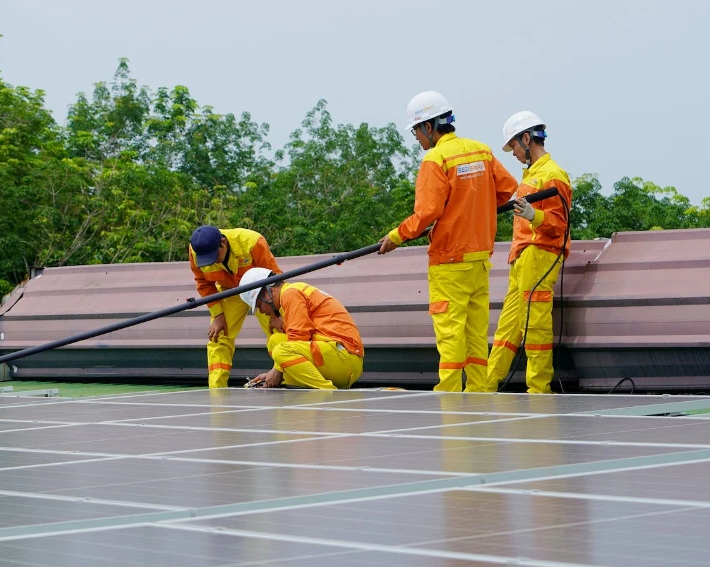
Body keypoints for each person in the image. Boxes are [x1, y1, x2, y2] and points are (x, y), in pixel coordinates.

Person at [376, 91, 517, 392]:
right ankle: (479, 396)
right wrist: (470, 209)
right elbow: (506, 191)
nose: (416, 138)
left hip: (449, 263)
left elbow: (427, 211)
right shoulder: (481, 151)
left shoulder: (435, 158)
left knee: (451, 336)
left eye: (416, 131)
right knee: (476, 336)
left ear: (429, 127)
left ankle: (450, 402)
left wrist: (396, 236)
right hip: (479, 260)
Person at [483, 111, 573, 393]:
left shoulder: (553, 175)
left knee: (534, 326)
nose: (514, 153)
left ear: (526, 138)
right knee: (508, 326)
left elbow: (559, 225)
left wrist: (535, 216)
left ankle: (538, 390)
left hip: (540, 255)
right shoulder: (531, 176)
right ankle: (484, 386)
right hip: (523, 258)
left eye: (514, 147)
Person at [238, 267, 364, 390]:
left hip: (346, 360)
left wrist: (276, 371)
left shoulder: (290, 293)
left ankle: (327, 391)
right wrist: (274, 374)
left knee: (281, 350)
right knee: (275, 340)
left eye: (259, 305)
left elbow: (299, 337)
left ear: (268, 291)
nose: (262, 311)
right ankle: (289, 381)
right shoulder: (291, 293)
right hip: (337, 356)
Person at [189, 226, 282, 387]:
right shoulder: (196, 251)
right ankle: (217, 390)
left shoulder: (252, 242)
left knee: (279, 330)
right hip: (229, 292)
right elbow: (203, 283)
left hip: (261, 292)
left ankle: (283, 376)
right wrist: (218, 315)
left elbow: (275, 280)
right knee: (218, 336)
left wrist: (275, 314)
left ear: (223, 242)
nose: (213, 261)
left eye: (214, 255)